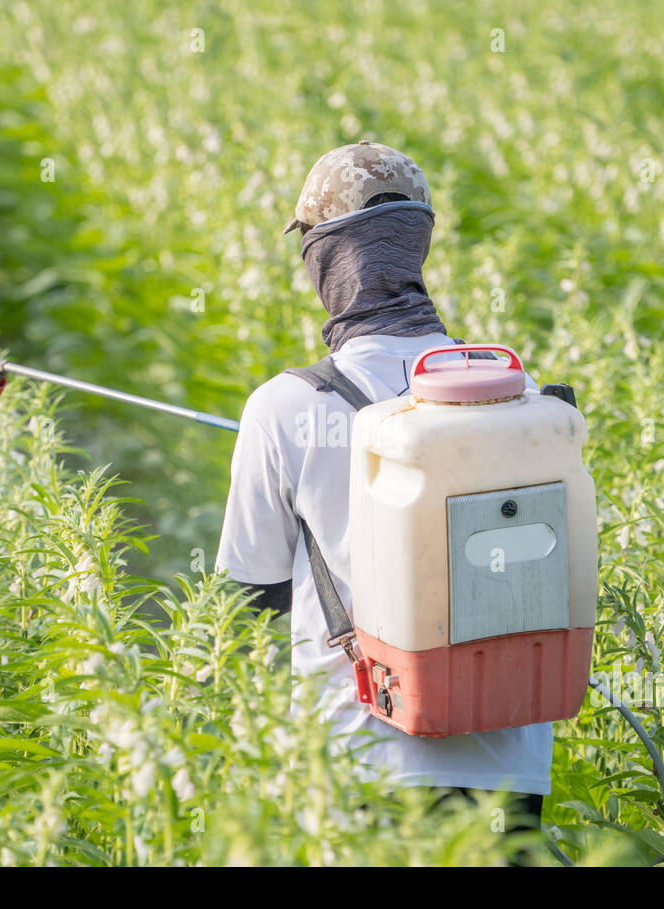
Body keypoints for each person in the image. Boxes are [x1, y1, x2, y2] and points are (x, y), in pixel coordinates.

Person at [215, 141, 550, 858]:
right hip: (509, 764)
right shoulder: (514, 391)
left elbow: (250, 595)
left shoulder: (282, 406)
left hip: (358, 759)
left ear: (325, 257)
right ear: (415, 244)